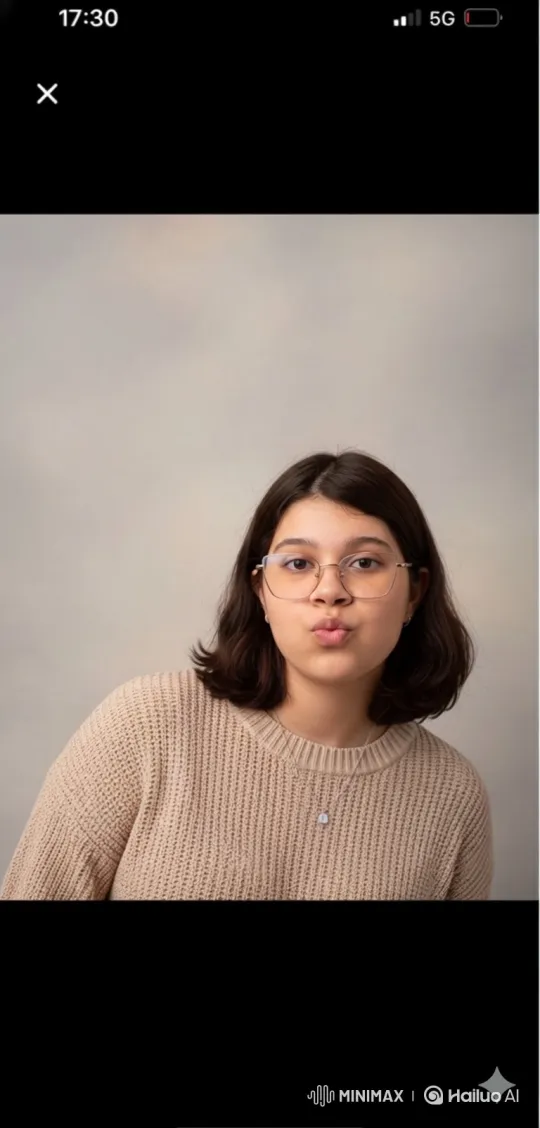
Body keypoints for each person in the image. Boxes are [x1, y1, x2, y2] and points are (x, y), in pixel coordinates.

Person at [0, 448, 493, 901]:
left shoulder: (453, 796)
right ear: (260, 591)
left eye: (364, 562)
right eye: (298, 563)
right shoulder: (148, 727)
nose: (330, 591)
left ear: (414, 591)